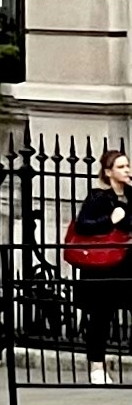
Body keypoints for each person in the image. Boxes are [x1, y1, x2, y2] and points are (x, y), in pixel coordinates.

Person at [65, 148, 132, 382]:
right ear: (108, 172)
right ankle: (96, 367)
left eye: (128, 166)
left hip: (126, 267)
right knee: (101, 318)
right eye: (121, 167)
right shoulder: (98, 197)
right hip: (102, 269)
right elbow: (83, 225)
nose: (127, 170)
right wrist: (109, 220)